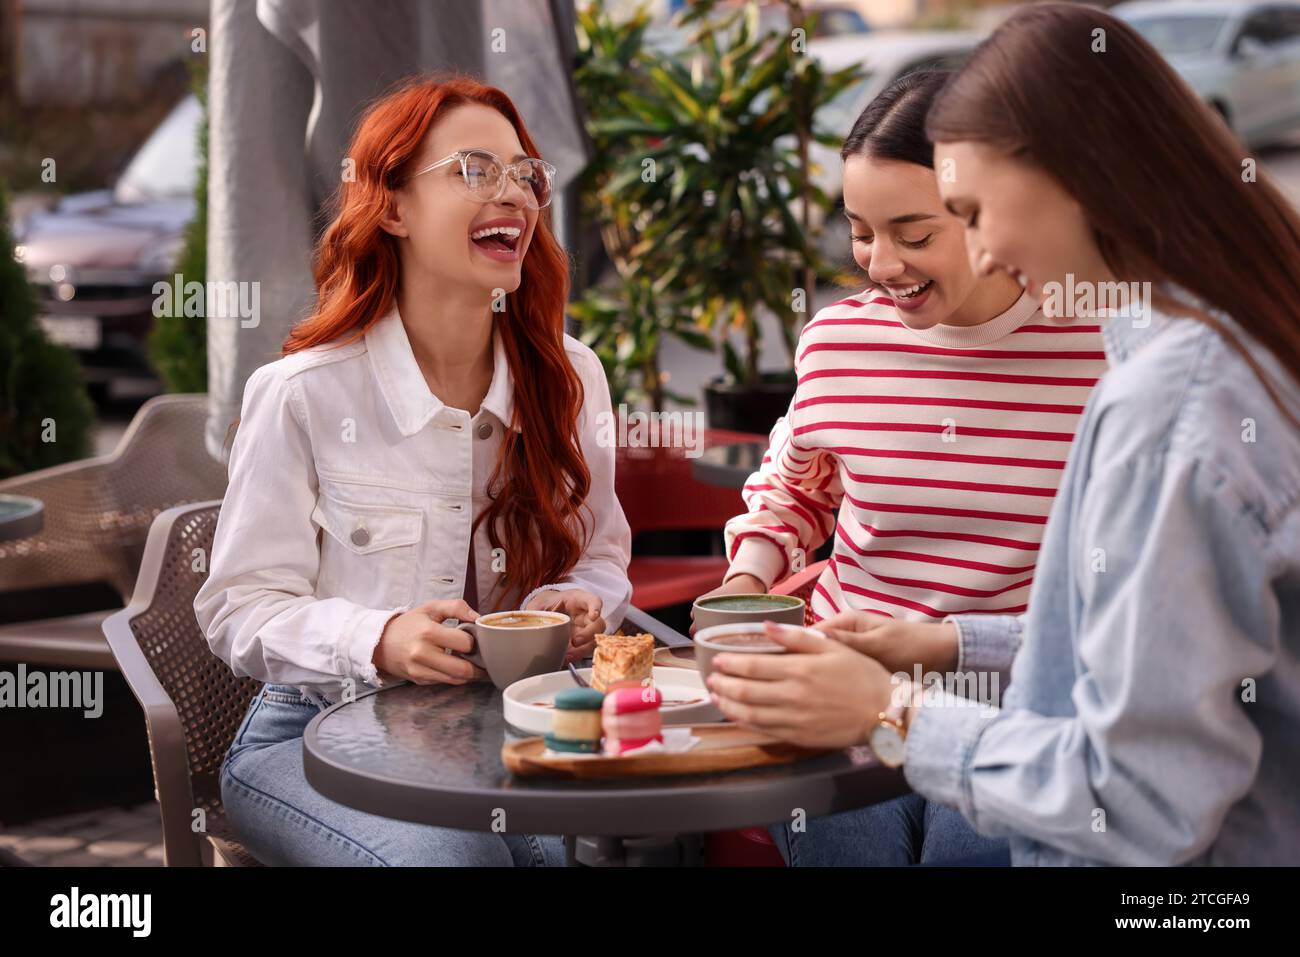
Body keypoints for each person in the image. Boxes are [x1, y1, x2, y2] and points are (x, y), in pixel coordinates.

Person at [707, 4, 1300, 865]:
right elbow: (1138, 645)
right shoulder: (1223, 339)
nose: (982, 257)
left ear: (1075, 175)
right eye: (865, 233)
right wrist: (922, 650)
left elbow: (1132, 793)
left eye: (967, 212)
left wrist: (892, 708)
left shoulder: (1164, 401)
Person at [194, 75, 632, 866]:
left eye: (524, 173)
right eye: (474, 170)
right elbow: (238, 607)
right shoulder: (302, 394)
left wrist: (580, 597)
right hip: (314, 735)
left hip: (505, 724)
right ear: (391, 206)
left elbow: (600, 553)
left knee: (580, 852)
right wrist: (380, 638)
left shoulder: (571, 375)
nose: (513, 194)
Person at [700, 71, 1107, 864]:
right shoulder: (836, 341)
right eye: (860, 230)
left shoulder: (1096, 345)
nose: (881, 263)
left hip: (1020, 697)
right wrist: (747, 579)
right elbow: (795, 487)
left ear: (994, 215)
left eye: (914, 233)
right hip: (841, 683)